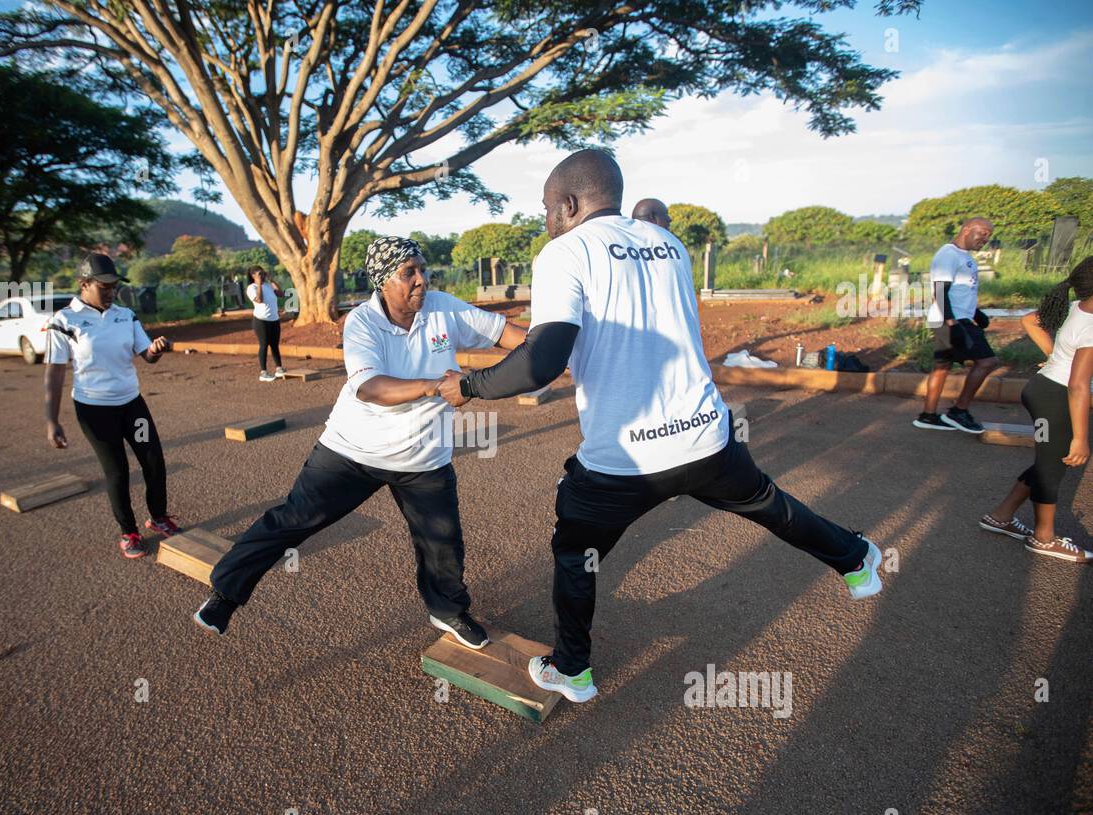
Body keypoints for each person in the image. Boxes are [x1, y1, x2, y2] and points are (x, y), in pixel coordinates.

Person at [438, 149, 883, 703]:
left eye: (548, 208)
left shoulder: (564, 253)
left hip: (626, 460)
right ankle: (857, 559)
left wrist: (469, 387)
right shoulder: (668, 244)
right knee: (771, 505)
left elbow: (541, 361)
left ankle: (574, 670)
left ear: (570, 204)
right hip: (706, 436)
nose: (547, 219)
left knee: (575, 554)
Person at [193, 237, 528, 646]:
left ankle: (448, 612)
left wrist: (547, 346)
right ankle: (225, 595)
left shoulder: (442, 307)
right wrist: (437, 386)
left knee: (442, 542)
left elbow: (511, 335)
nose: (421, 280)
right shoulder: (362, 322)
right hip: (352, 450)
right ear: (383, 282)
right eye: (409, 273)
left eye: (423, 269)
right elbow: (370, 387)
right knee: (294, 519)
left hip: (423, 457)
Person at [44, 253, 178, 559]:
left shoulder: (125, 315)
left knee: (153, 461)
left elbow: (146, 355)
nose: (110, 291)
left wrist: (156, 349)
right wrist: (51, 420)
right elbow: (54, 373)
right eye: (103, 286)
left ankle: (158, 517)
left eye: (114, 285)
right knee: (117, 471)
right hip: (94, 410)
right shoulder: (64, 321)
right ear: (84, 284)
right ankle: (129, 532)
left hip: (132, 405)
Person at [980, 257, 1093, 563]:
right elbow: (1078, 386)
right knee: (1052, 466)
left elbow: (1030, 320)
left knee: (1049, 459)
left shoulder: (1076, 308)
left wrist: (1054, 353)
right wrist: (1081, 438)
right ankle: (1044, 538)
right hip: (1054, 397)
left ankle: (1000, 516)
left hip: (1044, 390)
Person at [913, 218, 1001, 434]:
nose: (985, 238)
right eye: (982, 232)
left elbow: (960, 291)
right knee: (987, 361)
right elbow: (940, 291)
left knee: (942, 367)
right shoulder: (948, 254)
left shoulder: (963, 256)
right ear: (967, 229)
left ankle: (928, 415)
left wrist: (977, 313)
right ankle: (958, 411)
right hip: (952, 320)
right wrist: (952, 323)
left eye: (989, 235)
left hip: (952, 318)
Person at [247, 266, 285, 381]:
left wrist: (272, 279)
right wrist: (258, 284)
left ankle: (279, 369)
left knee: (274, 345)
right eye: (260, 274)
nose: (263, 276)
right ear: (253, 276)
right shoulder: (251, 288)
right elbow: (259, 300)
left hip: (274, 319)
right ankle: (263, 373)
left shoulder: (268, 286)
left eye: (263, 273)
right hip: (261, 321)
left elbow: (280, 293)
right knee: (264, 345)